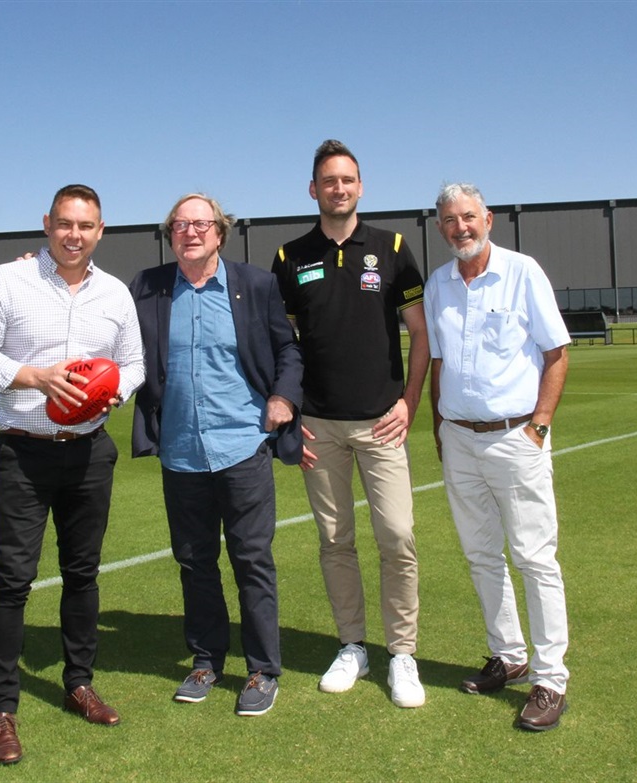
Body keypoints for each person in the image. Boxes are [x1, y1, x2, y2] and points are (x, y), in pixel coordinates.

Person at [0, 184, 146, 764]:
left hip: (89, 452)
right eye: (65, 223)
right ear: (47, 224)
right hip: (23, 451)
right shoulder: (6, 281)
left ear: (100, 230)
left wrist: (115, 390)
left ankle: (79, 683)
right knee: (12, 579)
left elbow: (135, 362)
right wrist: (36, 377)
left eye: (85, 226)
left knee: (83, 573)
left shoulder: (115, 294)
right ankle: (1, 710)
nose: (74, 235)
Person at [128, 193, 302, 717]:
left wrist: (282, 396)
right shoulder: (148, 287)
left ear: (220, 233)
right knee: (195, 562)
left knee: (252, 561)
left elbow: (289, 349)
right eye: (180, 225)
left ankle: (262, 670)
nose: (190, 232)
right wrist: (37, 269)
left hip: (242, 445)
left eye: (201, 223)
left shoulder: (256, 285)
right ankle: (206, 659)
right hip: (181, 452)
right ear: (171, 234)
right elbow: (93, 303)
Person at [270, 139, 430, 708]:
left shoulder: (392, 247)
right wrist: (290, 415)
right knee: (335, 540)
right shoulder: (290, 256)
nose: (339, 188)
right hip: (318, 426)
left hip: (382, 423)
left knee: (398, 537)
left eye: (348, 180)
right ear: (313, 190)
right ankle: (353, 646)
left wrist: (409, 401)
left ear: (360, 187)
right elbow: (280, 343)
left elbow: (419, 333)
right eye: (329, 181)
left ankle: (402, 654)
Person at [424, 182, 571, 732]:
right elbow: (438, 362)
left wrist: (538, 426)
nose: (460, 227)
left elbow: (557, 354)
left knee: (535, 558)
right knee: (482, 554)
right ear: (440, 227)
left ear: (487, 219)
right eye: (450, 220)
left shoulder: (522, 271)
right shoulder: (439, 283)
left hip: (516, 437)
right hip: (459, 437)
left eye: (469, 217)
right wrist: (440, 427)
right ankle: (508, 655)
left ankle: (551, 680)